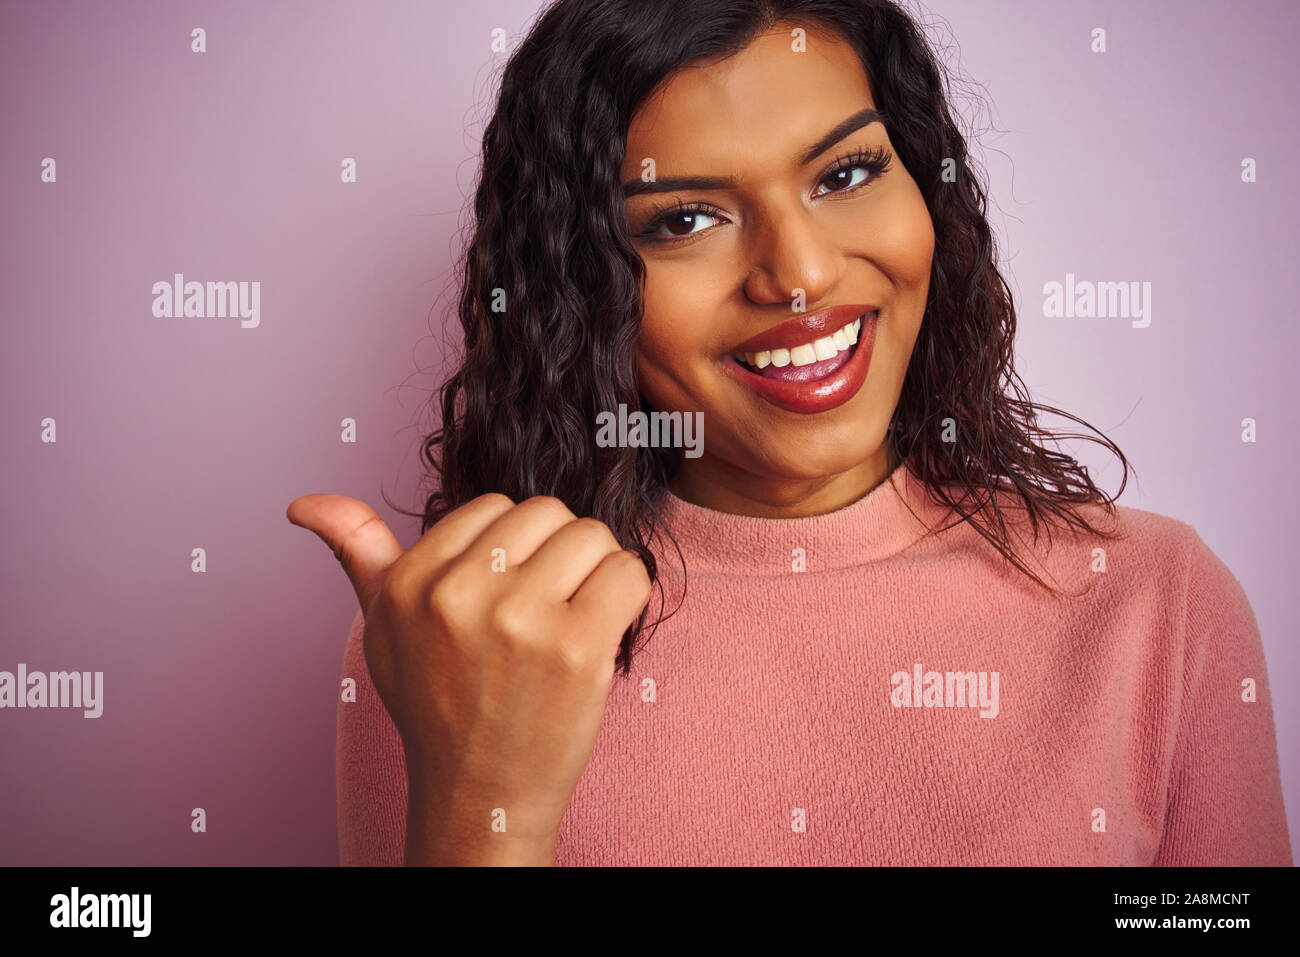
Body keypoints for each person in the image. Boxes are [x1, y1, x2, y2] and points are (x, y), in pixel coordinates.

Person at [287, 0, 1291, 866]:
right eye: (682, 220)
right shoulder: (463, 631)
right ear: (581, 285)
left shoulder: (1156, 604)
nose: (798, 274)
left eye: (845, 173)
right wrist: (481, 819)